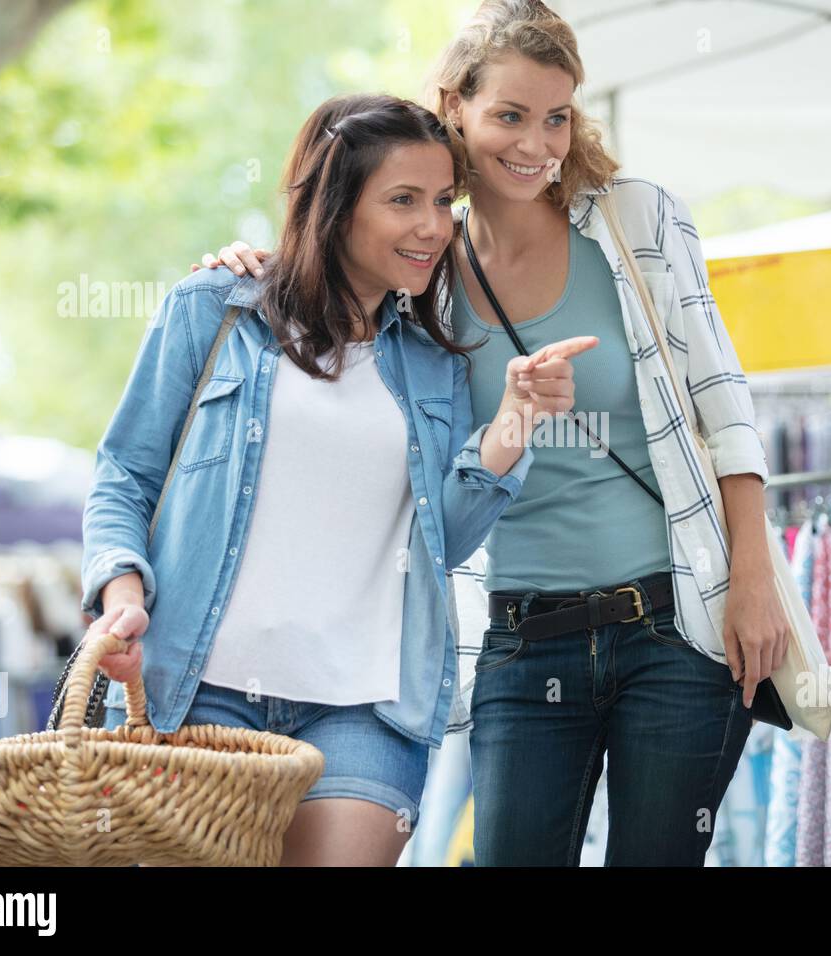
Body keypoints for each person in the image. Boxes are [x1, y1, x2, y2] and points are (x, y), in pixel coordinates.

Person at [199, 0, 790, 867]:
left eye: (556, 117)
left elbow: (722, 401)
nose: (536, 143)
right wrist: (243, 266)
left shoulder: (638, 224)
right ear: (455, 107)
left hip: (674, 624)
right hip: (517, 636)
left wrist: (755, 579)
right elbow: (323, 292)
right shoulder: (419, 275)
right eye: (509, 115)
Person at [80, 92, 595, 866]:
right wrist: (121, 597)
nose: (432, 226)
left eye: (443, 202)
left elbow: (441, 543)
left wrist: (515, 419)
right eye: (403, 200)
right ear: (333, 205)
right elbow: (125, 471)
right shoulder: (213, 311)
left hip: (365, 703)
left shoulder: (431, 363)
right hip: (201, 689)